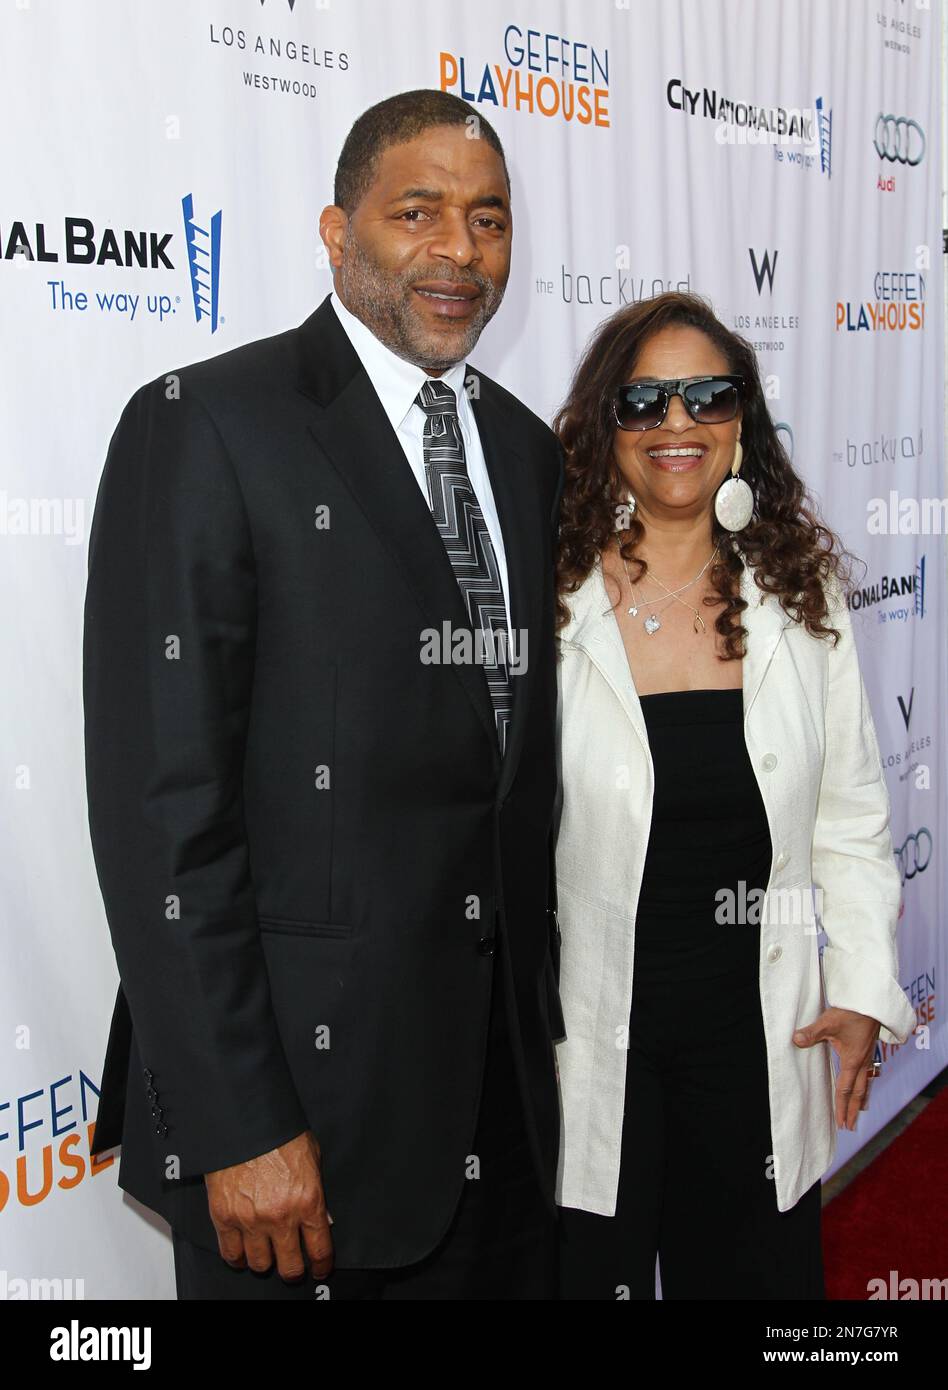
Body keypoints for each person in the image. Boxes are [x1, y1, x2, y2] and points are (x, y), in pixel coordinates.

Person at [83, 88, 565, 1301]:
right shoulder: (208, 427)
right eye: (419, 211)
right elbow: (162, 811)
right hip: (298, 1135)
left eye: (490, 218)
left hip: (498, 1121)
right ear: (336, 232)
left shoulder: (523, 450)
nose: (460, 249)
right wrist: (237, 1123)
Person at [550, 291, 917, 1300]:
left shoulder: (801, 593)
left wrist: (861, 986)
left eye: (708, 396)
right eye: (646, 400)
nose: (679, 423)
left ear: (743, 421)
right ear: (606, 424)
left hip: (758, 1046)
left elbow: (850, 819)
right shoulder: (550, 596)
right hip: (591, 1047)